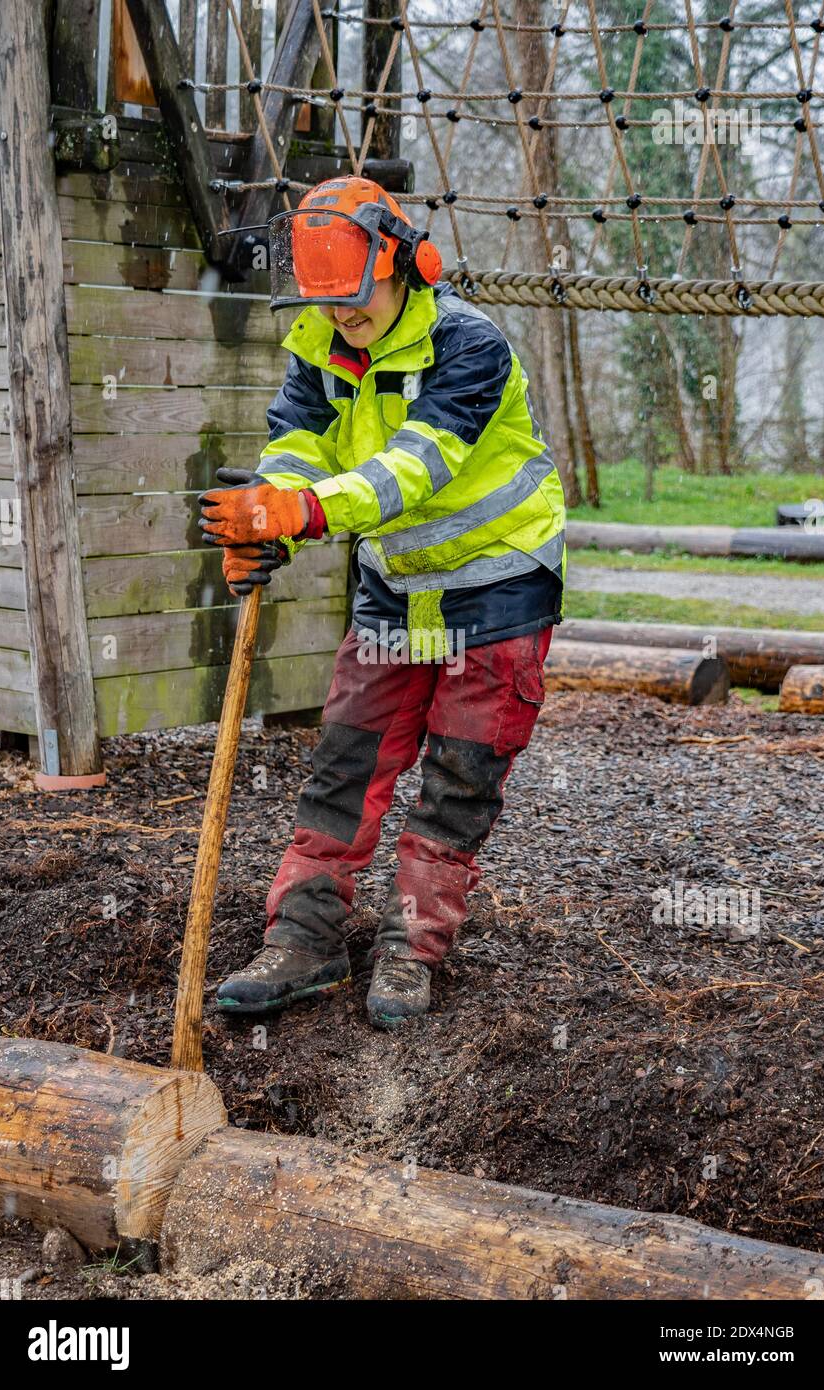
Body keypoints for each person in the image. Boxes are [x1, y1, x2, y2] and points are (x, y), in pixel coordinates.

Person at [199, 176, 566, 1029]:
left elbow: (413, 469)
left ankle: (412, 948)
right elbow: (298, 443)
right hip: (396, 588)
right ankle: (304, 936)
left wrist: (308, 511)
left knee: (459, 778)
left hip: (498, 583)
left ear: (403, 265)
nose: (344, 317)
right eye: (328, 303)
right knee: (346, 761)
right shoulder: (320, 345)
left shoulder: (469, 346)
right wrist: (269, 517)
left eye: (356, 298)